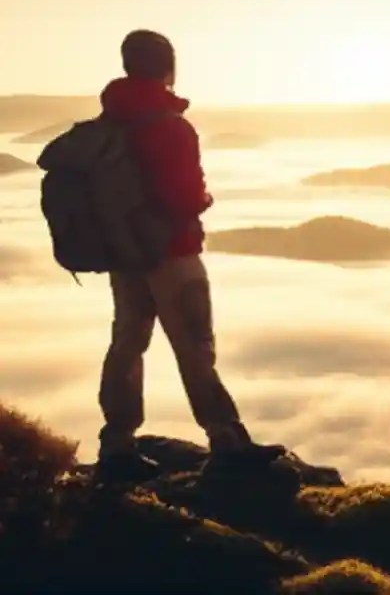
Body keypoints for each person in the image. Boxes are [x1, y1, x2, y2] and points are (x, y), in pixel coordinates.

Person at [95, 29, 284, 481]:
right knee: (195, 346)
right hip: (173, 253)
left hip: (125, 254)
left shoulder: (109, 123)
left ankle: (117, 445)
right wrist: (203, 200)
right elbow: (184, 197)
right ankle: (227, 442)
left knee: (127, 345)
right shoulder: (171, 127)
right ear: (167, 67)